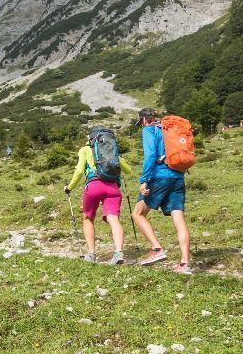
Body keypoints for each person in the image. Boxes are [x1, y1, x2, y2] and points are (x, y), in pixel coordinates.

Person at [132, 107, 191, 272]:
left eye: (141, 123)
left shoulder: (149, 130)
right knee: (179, 220)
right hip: (178, 177)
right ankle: (184, 264)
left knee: (137, 213)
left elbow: (150, 155)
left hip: (159, 177)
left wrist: (144, 180)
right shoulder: (169, 130)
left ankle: (157, 249)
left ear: (144, 120)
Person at [64, 129, 125, 263]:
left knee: (88, 218)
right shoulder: (111, 150)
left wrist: (69, 187)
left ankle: (91, 254)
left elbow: (79, 171)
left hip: (94, 186)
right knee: (113, 218)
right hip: (113, 188)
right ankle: (118, 253)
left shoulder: (85, 150)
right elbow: (127, 169)